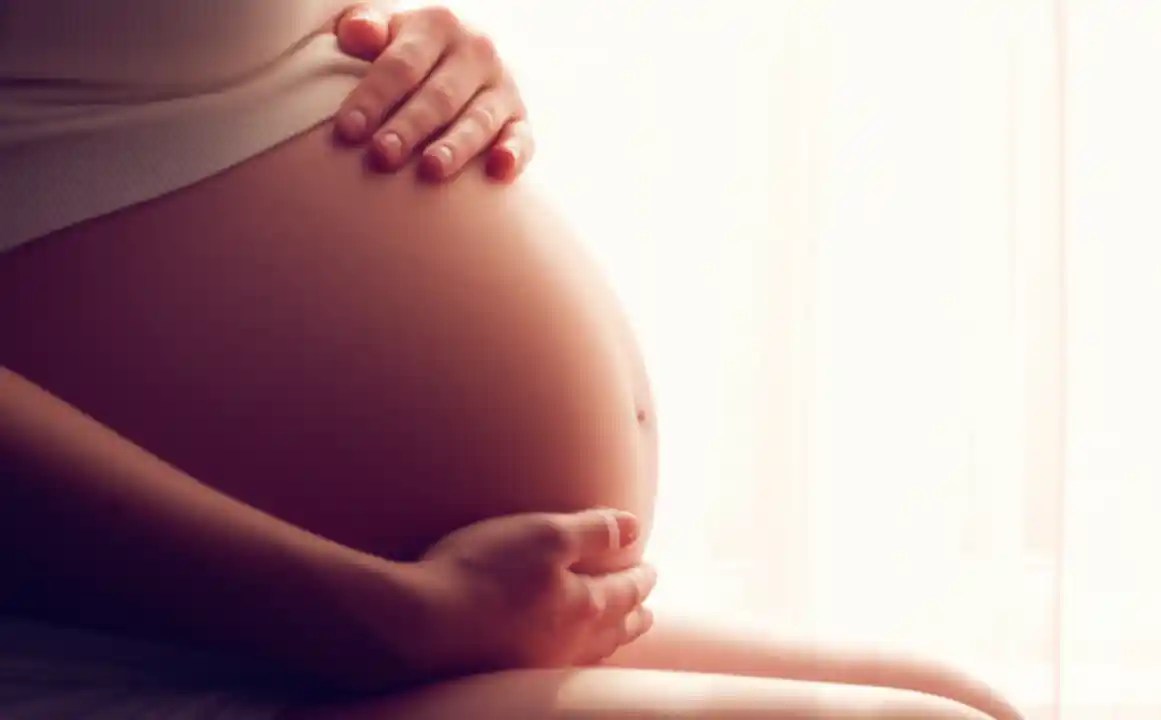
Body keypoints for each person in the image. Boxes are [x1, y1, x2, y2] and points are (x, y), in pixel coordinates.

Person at [0, 3, 1023, 718]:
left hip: (358, 628)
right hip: (148, 632)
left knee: (960, 699)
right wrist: (375, 616)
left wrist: (406, 44)